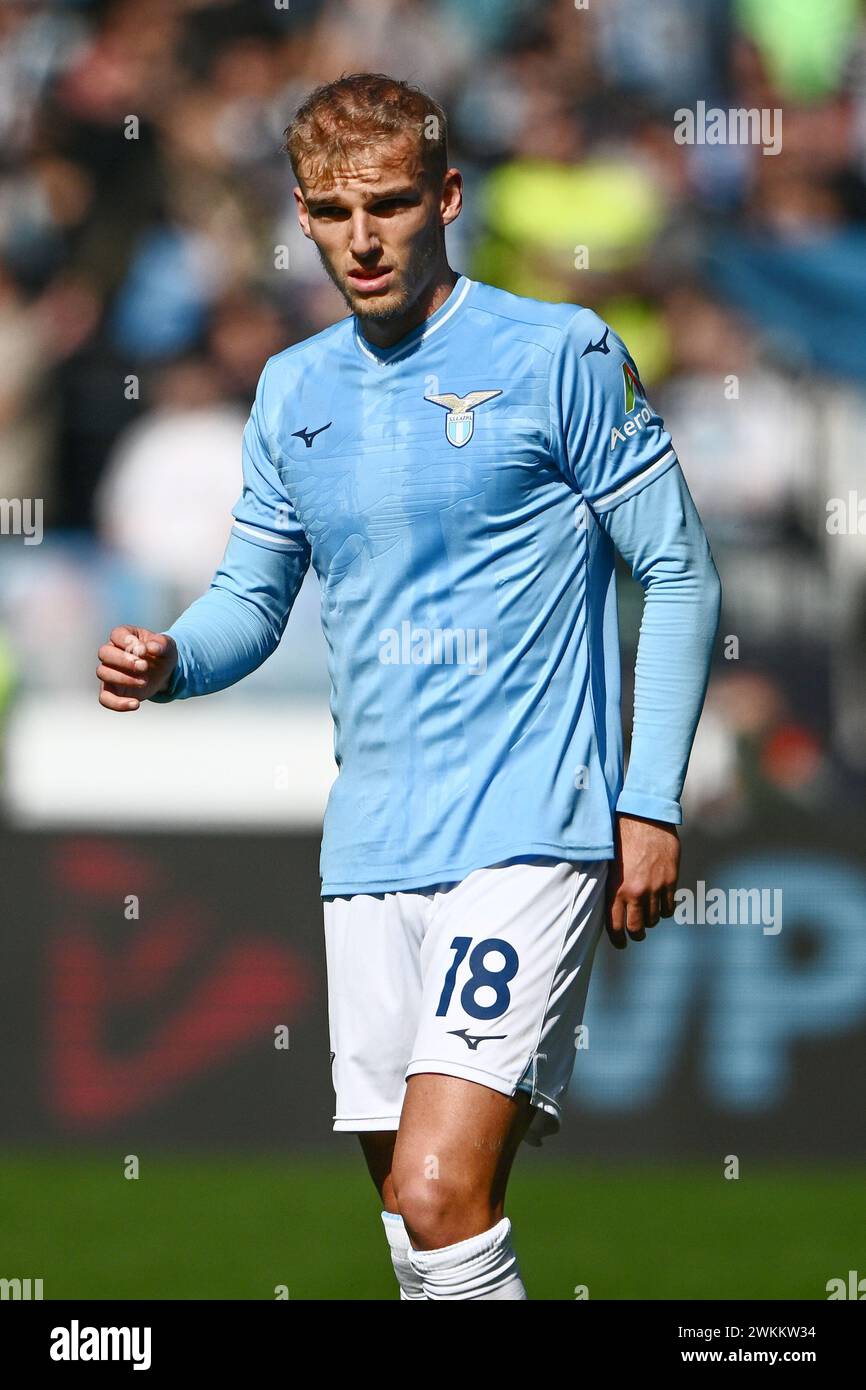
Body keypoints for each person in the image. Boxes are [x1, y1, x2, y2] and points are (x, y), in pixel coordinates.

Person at [95, 73, 721, 1300]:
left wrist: (648, 798)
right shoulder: (293, 389)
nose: (362, 238)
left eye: (387, 204)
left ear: (445, 197)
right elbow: (251, 602)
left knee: (437, 1190)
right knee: (415, 1226)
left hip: (528, 825)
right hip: (372, 844)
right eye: (333, 212)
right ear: (301, 214)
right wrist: (170, 660)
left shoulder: (558, 353)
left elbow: (678, 567)